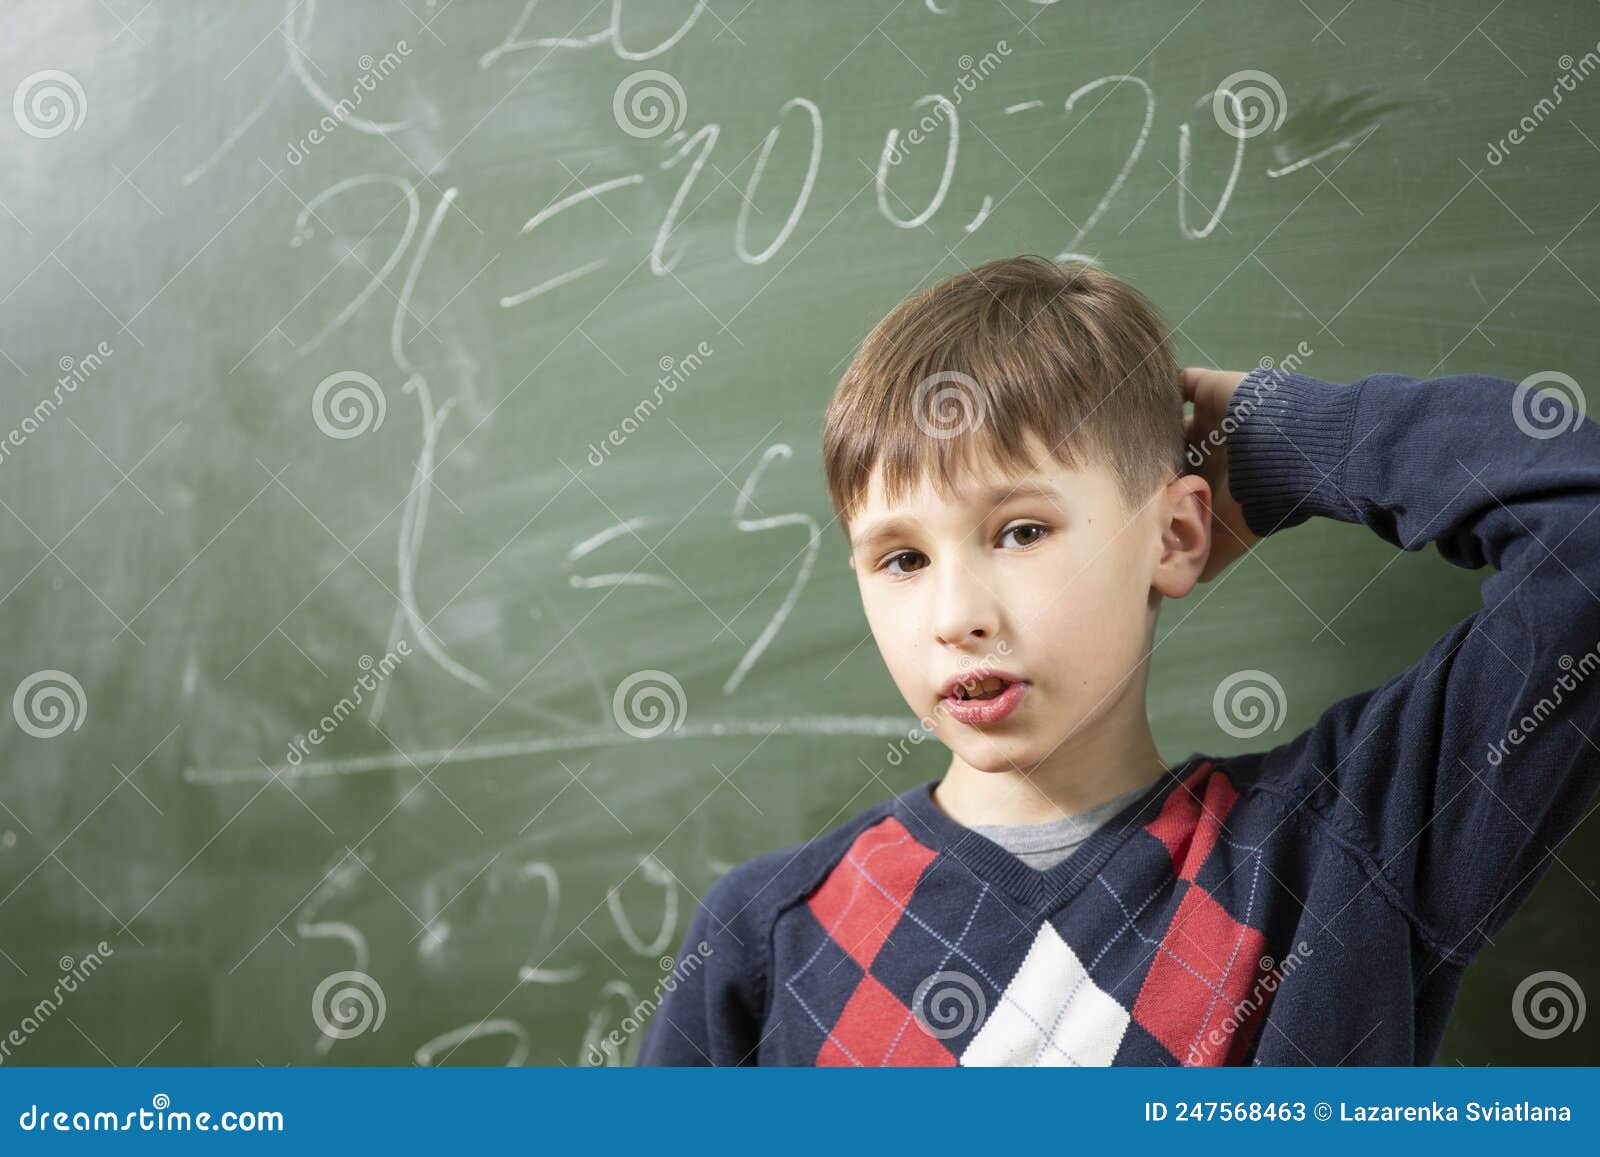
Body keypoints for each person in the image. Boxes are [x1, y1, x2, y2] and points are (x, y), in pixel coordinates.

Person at [635, 254, 1600, 1066]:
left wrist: (1282, 443)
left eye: (1020, 530)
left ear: (1175, 535)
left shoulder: (1338, 850)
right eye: (902, 558)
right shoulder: (768, 940)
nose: (956, 614)